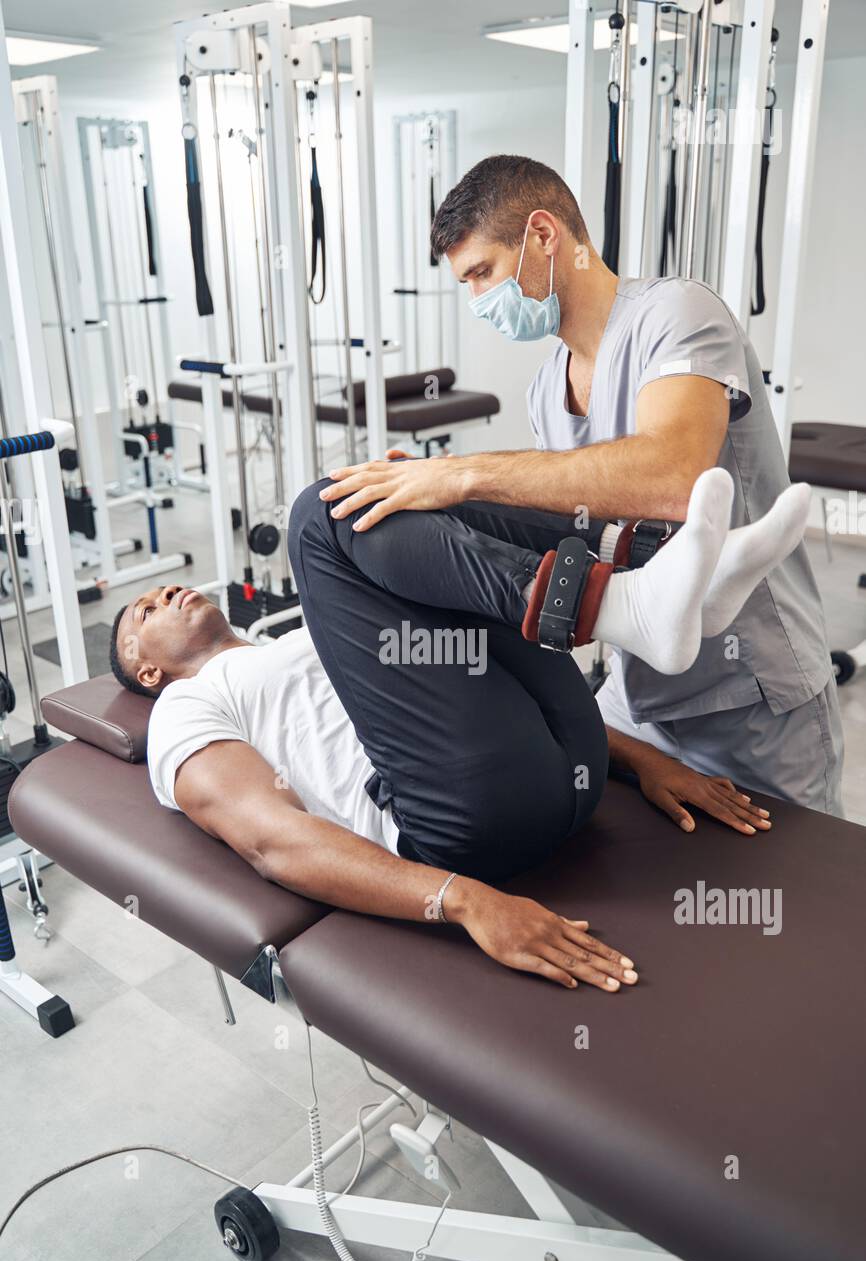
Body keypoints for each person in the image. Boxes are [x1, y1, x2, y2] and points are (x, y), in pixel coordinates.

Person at [109, 467, 806, 990]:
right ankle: (628, 595)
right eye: (143, 612)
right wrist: (463, 901)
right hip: (457, 821)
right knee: (321, 514)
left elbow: (461, 693)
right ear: (146, 674)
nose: (163, 594)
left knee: (420, 489)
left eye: (157, 591)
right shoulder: (182, 713)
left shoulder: (293, 641)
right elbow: (272, 842)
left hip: (566, 765)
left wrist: (639, 759)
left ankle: (670, 571)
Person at [319, 155, 843, 817]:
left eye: (482, 273)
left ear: (543, 236)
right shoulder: (548, 388)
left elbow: (673, 478)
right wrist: (449, 509)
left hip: (749, 694)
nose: (480, 301)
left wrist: (461, 475)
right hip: (638, 694)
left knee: (792, 898)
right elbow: (580, 533)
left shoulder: (675, 313)